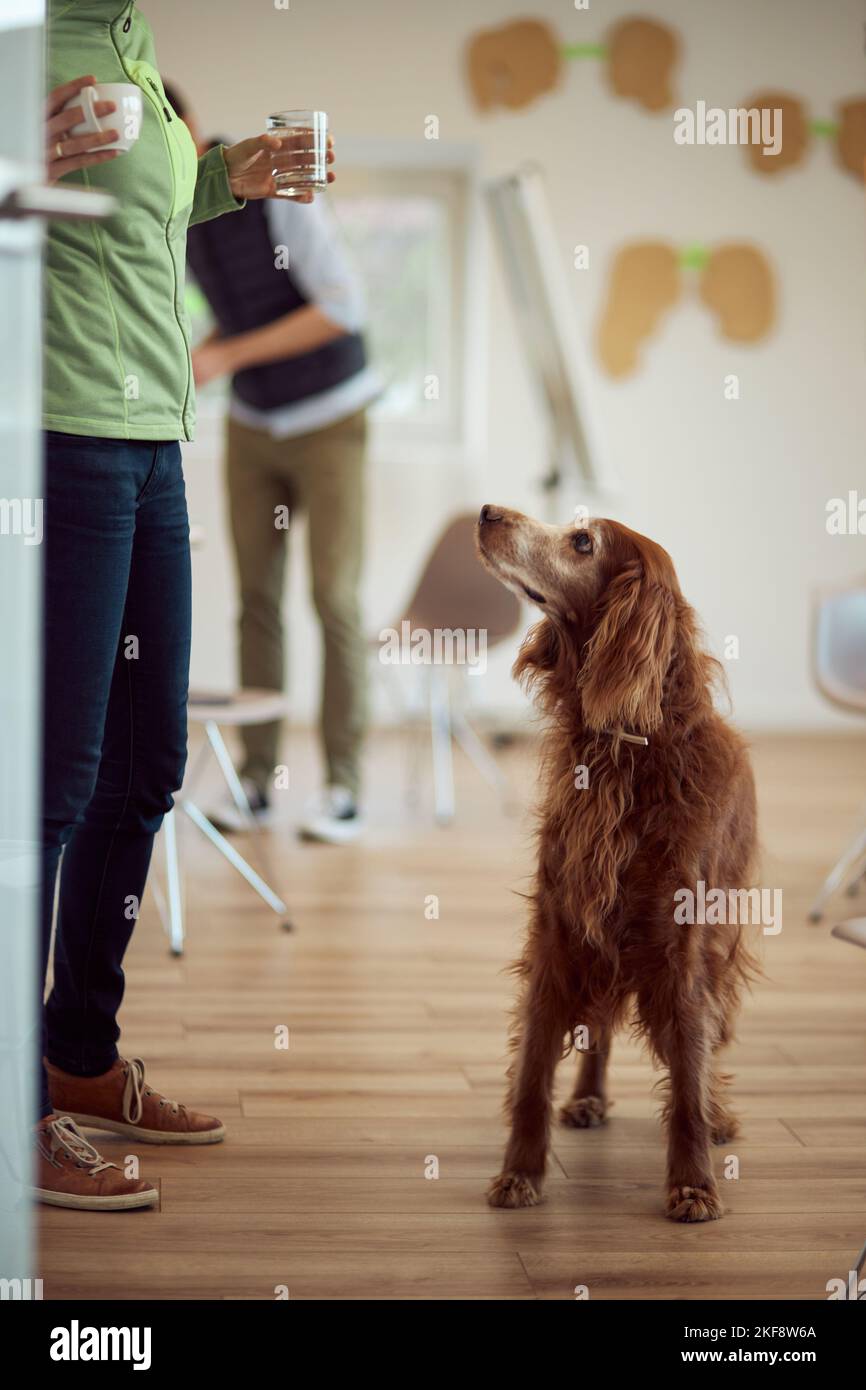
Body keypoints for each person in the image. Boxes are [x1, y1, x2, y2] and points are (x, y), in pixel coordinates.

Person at [37, 0, 332, 1211]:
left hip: (157, 435)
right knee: (49, 788)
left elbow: (123, 218)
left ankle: (78, 1056)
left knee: (149, 761)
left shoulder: (129, 44)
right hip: (63, 436)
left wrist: (225, 176)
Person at [166, 86, 377, 845]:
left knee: (334, 597)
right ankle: (256, 785)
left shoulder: (271, 187)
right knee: (257, 599)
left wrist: (223, 353)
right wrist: (215, 347)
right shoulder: (176, 214)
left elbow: (340, 306)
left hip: (331, 416)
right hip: (255, 423)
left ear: (187, 128)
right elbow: (251, 305)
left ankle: (345, 789)